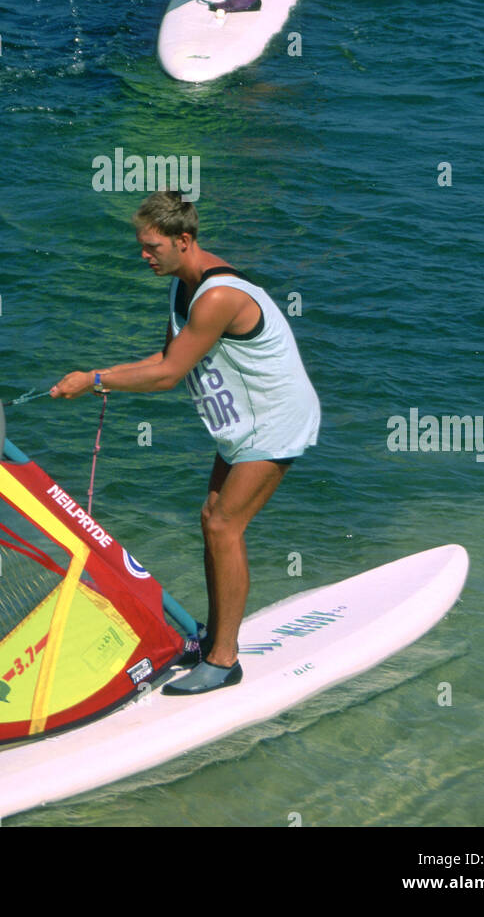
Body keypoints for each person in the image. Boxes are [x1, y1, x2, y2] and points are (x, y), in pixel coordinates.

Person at [50, 191, 320, 695]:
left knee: (224, 525)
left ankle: (224, 660)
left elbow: (169, 375)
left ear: (184, 240)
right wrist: (96, 375)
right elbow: (166, 356)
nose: (144, 256)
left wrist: (96, 380)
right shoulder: (182, 287)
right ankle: (215, 639)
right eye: (141, 246)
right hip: (241, 424)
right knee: (210, 517)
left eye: (152, 247)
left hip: (275, 421)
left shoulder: (218, 296)